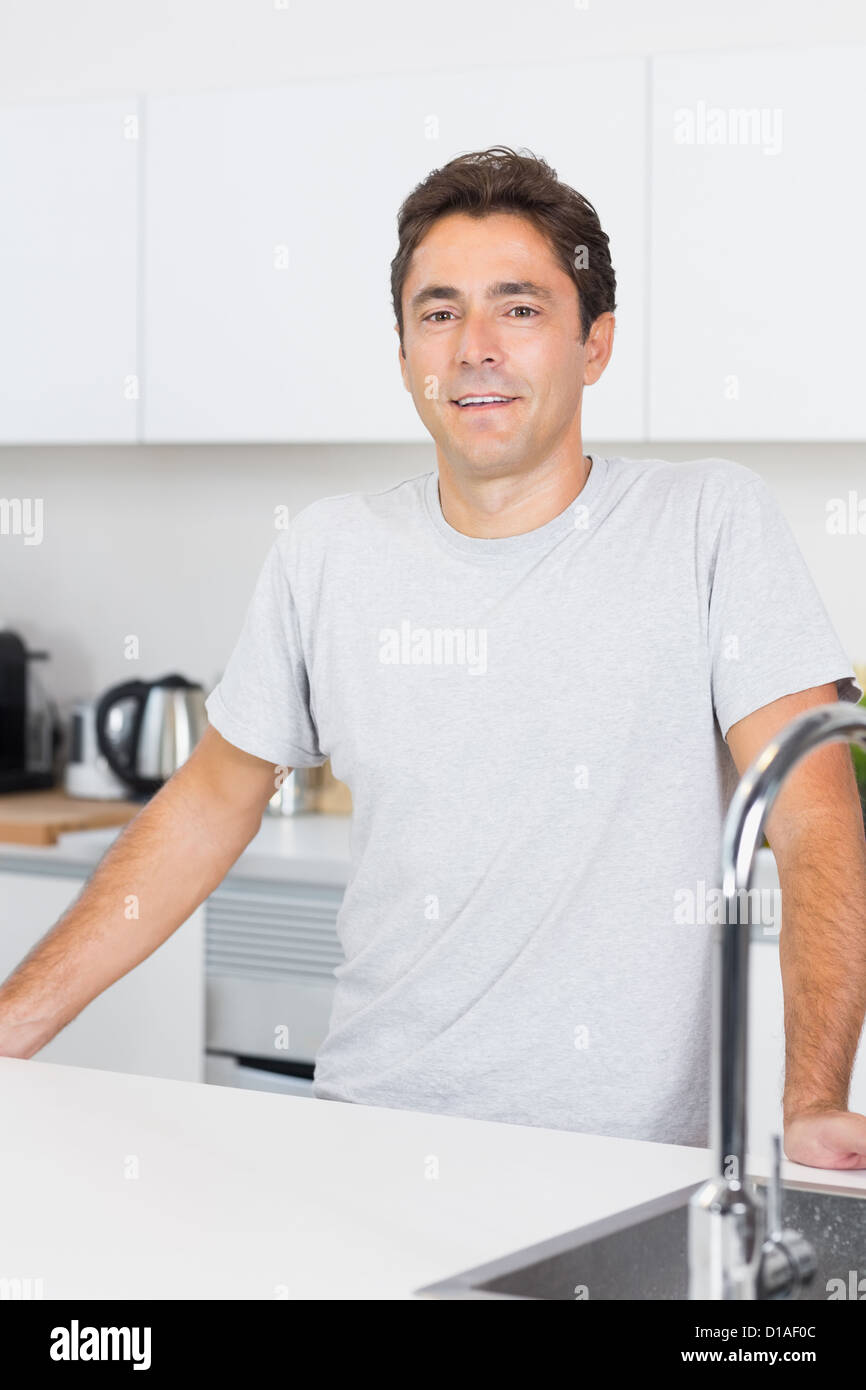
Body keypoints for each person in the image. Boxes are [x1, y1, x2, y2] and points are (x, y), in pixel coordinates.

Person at [2, 147, 865, 1168]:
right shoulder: (327, 551)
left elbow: (812, 813)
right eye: (438, 310)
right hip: (371, 1143)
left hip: (617, 1170)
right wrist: (14, 1017)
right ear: (406, 347)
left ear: (593, 344)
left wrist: (812, 1094)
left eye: (519, 308)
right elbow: (207, 803)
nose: (474, 348)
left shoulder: (705, 524)